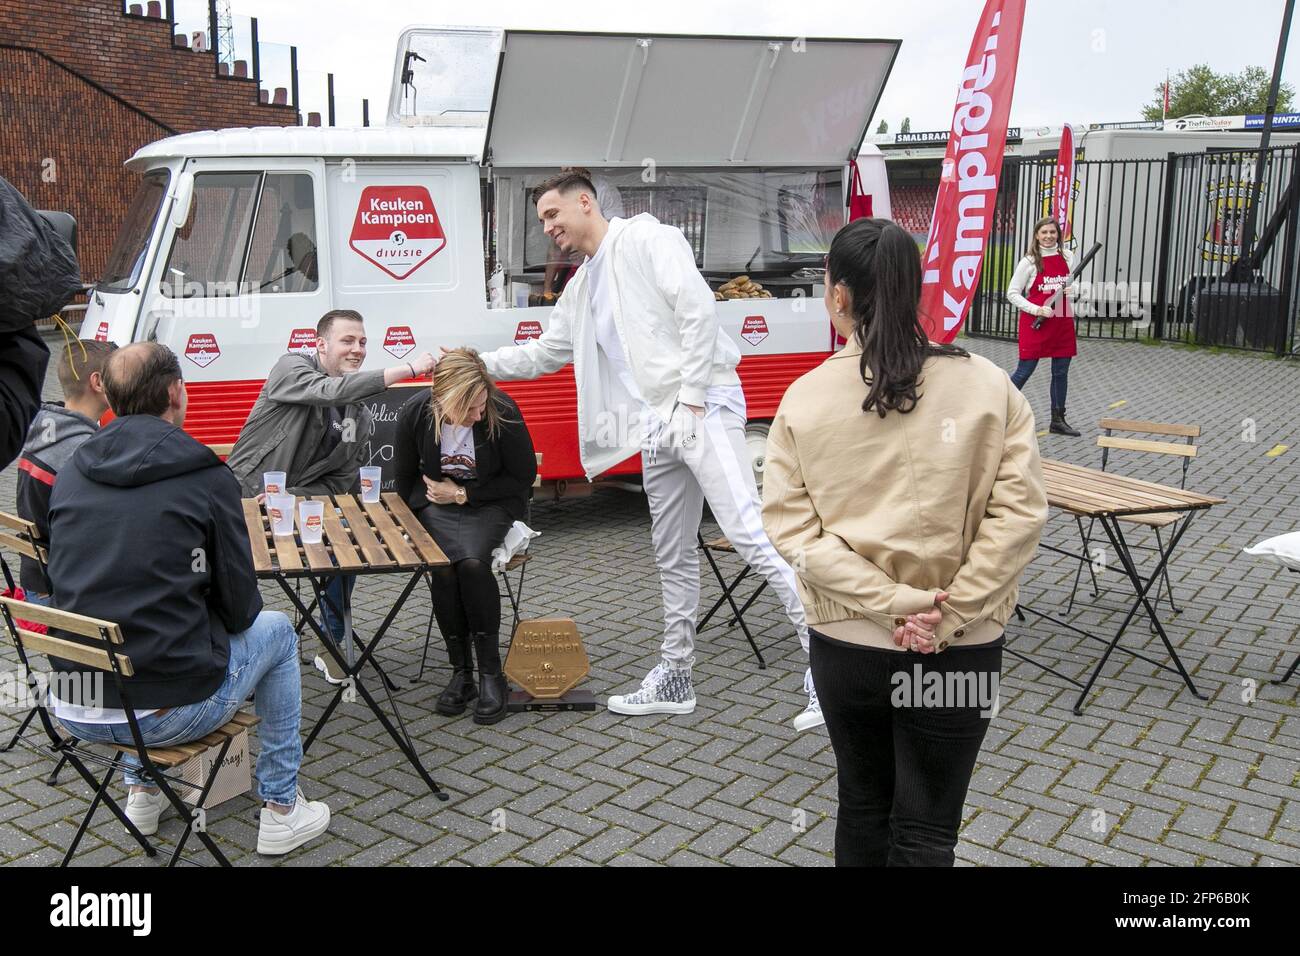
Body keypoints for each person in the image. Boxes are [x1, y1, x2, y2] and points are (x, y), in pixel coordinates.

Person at [469, 167, 816, 724]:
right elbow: (545, 354)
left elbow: (697, 310)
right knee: (672, 554)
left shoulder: (649, 238)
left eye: (553, 214)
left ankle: (828, 667)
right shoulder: (583, 284)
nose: (548, 228)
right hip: (659, 425)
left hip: (701, 406)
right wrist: (475, 363)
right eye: (541, 221)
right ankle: (675, 676)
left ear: (585, 203)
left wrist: (695, 398)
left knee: (750, 533)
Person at [762, 218, 1048, 866]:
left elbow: (791, 529)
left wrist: (892, 600)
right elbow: (1021, 514)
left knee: (863, 809)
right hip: (960, 648)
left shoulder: (803, 400)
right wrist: (947, 610)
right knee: (927, 833)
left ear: (837, 295)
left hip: (851, 649)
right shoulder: (989, 385)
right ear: (916, 289)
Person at [47, 342, 332, 856]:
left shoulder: (72, 471)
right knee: (279, 632)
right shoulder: (206, 477)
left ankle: (142, 794)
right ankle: (282, 809)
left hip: (73, 699)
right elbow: (242, 609)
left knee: (136, 633)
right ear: (178, 392)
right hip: (165, 712)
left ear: (109, 396)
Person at [226, 309, 436, 681]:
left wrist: (291, 495)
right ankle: (236, 656)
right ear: (321, 345)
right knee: (234, 572)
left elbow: (339, 478)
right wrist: (410, 369)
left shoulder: (357, 415)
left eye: (363, 342)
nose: (357, 349)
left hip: (294, 505)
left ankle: (330, 641)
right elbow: (325, 392)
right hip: (243, 500)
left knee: (344, 547)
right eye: (347, 341)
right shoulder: (291, 369)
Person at [394, 349, 536, 724]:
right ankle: (462, 673)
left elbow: (522, 476)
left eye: (480, 406)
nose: (477, 415)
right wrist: (415, 520)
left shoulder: (499, 408)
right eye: (469, 409)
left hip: (489, 503)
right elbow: (404, 477)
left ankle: (491, 674)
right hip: (435, 508)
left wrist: (462, 494)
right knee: (443, 568)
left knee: (472, 564)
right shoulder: (416, 411)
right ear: (443, 400)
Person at [14, 338, 116, 604]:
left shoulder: (43, 428)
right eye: (119, 376)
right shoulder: (83, 452)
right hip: (62, 590)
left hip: (35, 578)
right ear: (98, 383)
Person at [1007, 216, 1081, 436]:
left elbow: (1069, 286)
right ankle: (996, 409)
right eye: (1044, 232)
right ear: (1036, 235)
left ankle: (1058, 420)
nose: (1049, 236)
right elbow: (1011, 293)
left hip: (1062, 321)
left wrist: (1073, 292)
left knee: (1060, 372)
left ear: (1058, 234)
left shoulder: (1067, 256)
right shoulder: (1029, 261)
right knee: (1024, 371)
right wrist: (1037, 310)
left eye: (1053, 232)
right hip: (1036, 323)